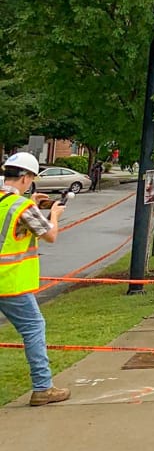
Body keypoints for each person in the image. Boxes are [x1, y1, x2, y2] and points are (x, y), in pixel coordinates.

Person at [0, 152, 70, 406]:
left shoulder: (11, 202)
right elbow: (49, 236)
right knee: (33, 328)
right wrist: (54, 215)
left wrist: (30, 202)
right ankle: (43, 387)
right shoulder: (22, 207)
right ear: (26, 177)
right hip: (10, 283)